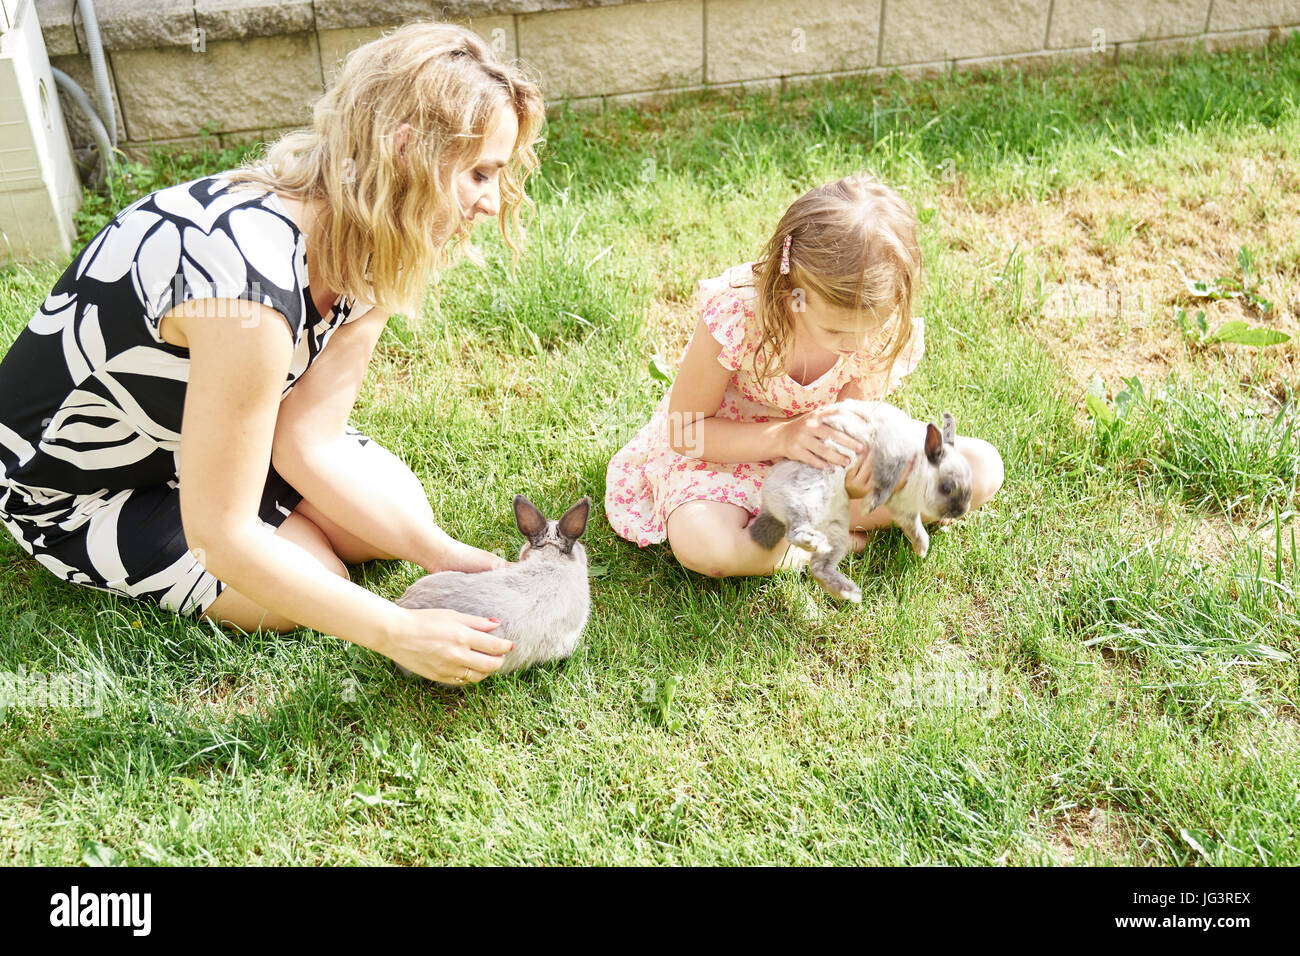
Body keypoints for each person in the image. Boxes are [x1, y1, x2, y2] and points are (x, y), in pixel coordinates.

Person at [0, 22, 544, 685]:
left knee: (396, 516)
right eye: (480, 173)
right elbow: (220, 534)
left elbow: (309, 441)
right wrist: (396, 631)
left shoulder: (370, 246)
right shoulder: (247, 292)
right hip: (83, 488)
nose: (492, 202)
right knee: (308, 582)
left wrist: (441, 554)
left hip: (195, 442)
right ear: (407, 154)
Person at [605, 173, 1004, 577]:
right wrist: (785, 436)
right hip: (727, 457)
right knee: (708, 545)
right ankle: (821, 540)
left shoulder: (872, 329)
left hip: (815, 470)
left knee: (980, 468)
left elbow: (854, 412)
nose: (853, 344)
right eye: (835, 331)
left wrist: (863, 458)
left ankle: (807, 529)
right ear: (791, 290)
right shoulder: (738, 315)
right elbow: (684, 433)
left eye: (868, 330)